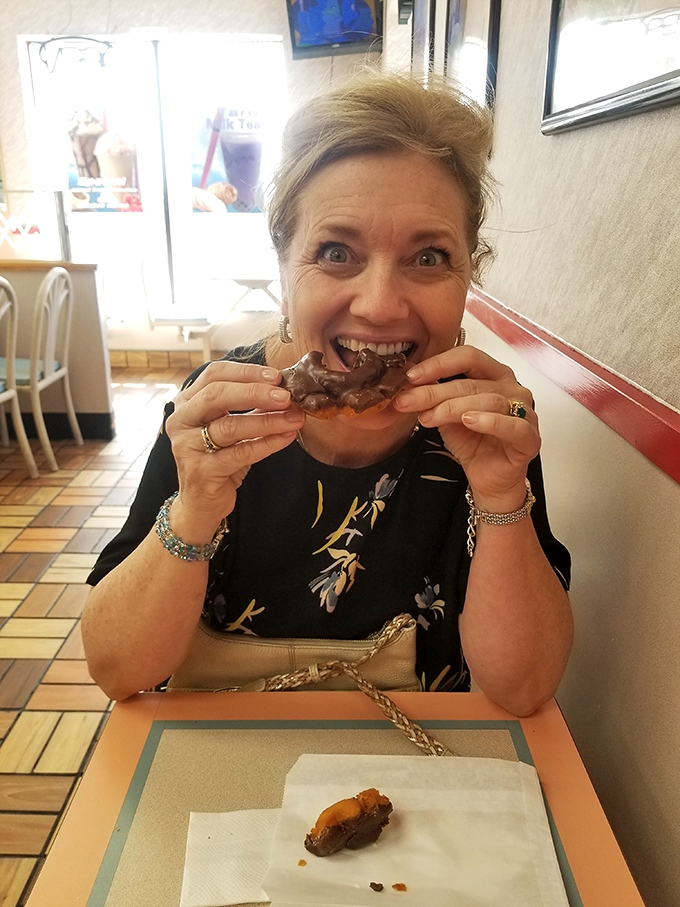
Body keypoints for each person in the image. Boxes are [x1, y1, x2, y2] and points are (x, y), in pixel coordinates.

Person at [82, 70, 573, 714]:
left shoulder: (483, 424)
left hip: (415, 762)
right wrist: (197, 506)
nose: (379, 304)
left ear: (467, 277)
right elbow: (118, 670)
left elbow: (523, 689)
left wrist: (502, 495)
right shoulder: (218, 415)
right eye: (337, 252)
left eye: (428, 258)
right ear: (284, 271)